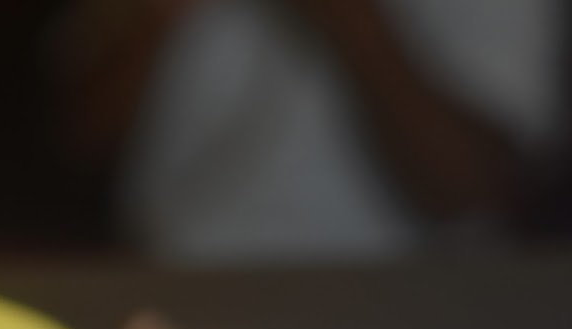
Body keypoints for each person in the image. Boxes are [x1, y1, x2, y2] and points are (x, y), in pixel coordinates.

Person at [43, 0, 567, 260]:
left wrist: (349, 21)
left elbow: (472, 192)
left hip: (403, 292)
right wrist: (160, 19)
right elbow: (85, 134)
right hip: (169, 271)